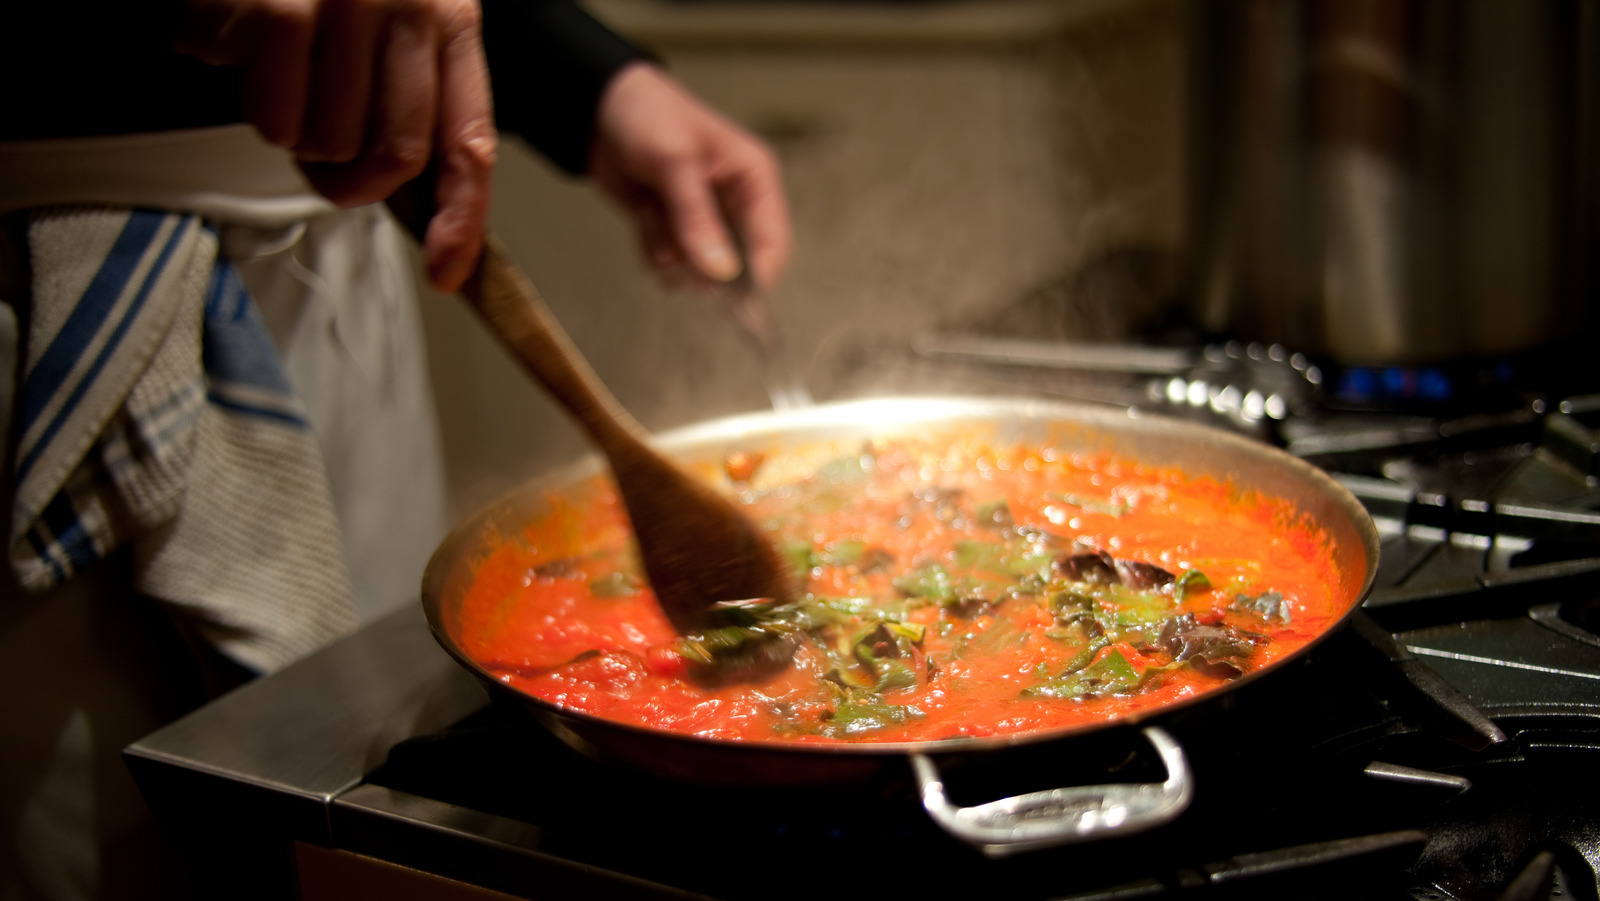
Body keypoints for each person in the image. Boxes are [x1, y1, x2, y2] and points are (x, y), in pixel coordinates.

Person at [0, 1, 791, 898]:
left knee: (372, 747)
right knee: (108, 843)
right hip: (46, 294)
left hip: (340, 237)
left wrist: (590, 82)